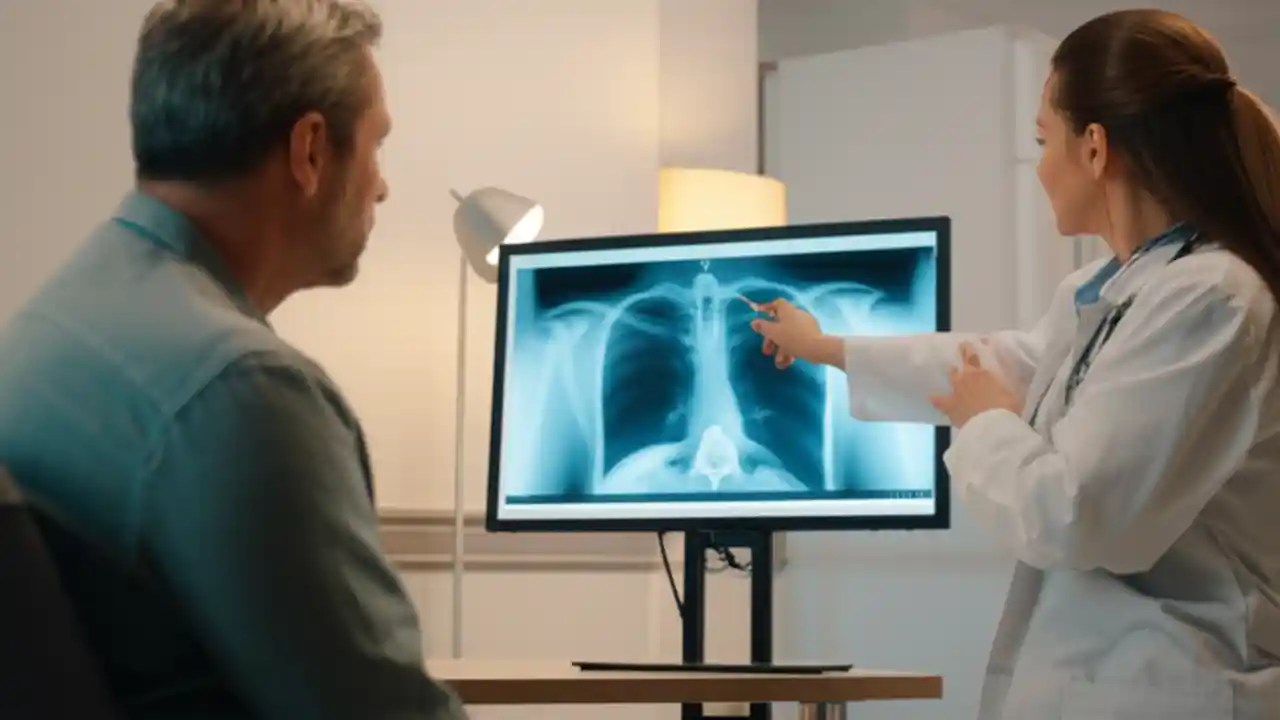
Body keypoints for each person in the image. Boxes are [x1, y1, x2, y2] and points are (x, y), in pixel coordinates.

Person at [752, 9, 1280, 720]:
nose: (1041, 165)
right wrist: (828, 349)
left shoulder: (1210, 297)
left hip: (1178, 685)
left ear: (1095, 148)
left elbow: (1078, 515)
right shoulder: (1116, 291)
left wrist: (987, 422)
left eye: (1043, 139)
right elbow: (1002, 360)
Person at [0, 1, 465, 718]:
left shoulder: (58, 321)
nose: (381, 185)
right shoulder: (242, 393)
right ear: (310, 151)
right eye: (377, 146)